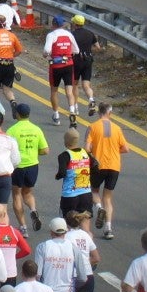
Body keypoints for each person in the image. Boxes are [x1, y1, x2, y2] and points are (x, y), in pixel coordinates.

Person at [86, 102, 130, 240]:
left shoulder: (92, 127)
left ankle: (99, 208)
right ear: (110, 113)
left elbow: (87, 148)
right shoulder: (117, 128)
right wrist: (114, 152)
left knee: (93, 190)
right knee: (108, 198)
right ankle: (108, 228)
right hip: (114, 166)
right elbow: (126, 148)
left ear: (99, 112)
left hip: (98, 165)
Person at [6, 103, 49, 237]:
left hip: (17, 166)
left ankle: (23, 227)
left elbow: (6, 150)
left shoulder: (12, 130)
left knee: (17, 194)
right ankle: (33, 209)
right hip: (32, 165)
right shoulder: (36, 129)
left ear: (17, 114)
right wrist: (34, 153)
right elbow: (45, 150)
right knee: (28, 193)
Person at [44, 15, 81, 128]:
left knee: (54, 91)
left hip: (56, 66)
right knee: (69, 91)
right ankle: (72, 111)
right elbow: (76, 50)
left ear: (53, 24)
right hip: (68, 64)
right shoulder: (69, 34)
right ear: (63, 25)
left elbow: (46, 50)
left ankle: (56, 115)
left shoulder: (51, 35)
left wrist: (46, 55)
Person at [0, 203, 30, 285]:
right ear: (4, 214)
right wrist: (14, 256)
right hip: (11, 273)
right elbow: (27, 250)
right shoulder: (15, 232)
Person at [57, 128, 96, 217]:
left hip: (70, 195)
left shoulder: (64, 156)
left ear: (66, 141)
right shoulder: (85, 153)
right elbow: (95, 166)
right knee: (85, 227)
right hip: (86, 194)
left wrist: (57, 176)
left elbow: (62, 173)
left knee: (68, 225)